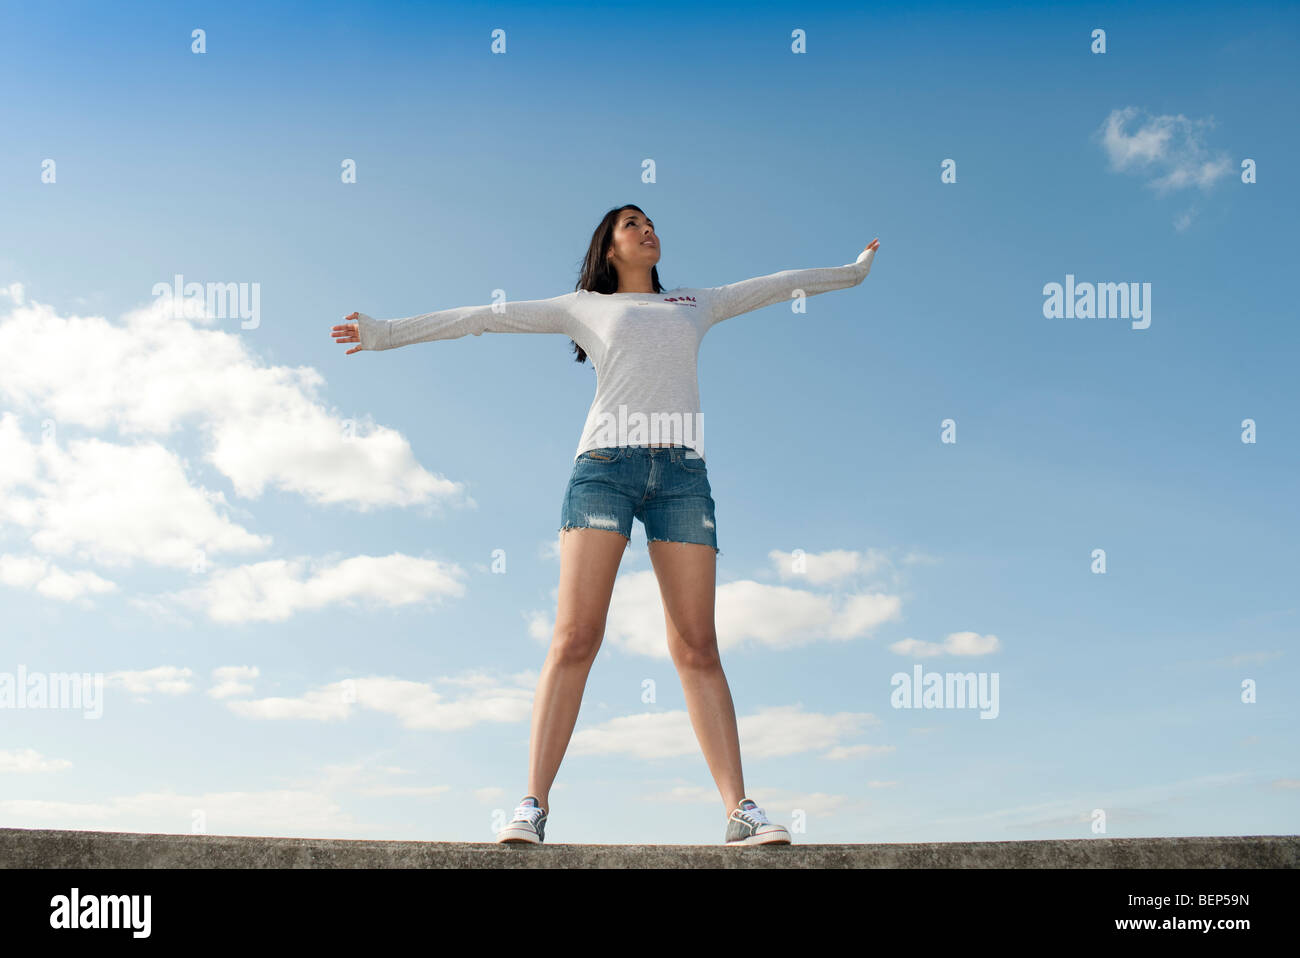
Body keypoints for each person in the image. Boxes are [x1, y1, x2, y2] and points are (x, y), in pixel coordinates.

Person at [331, 204, 879, 845]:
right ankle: (530, 807)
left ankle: (740, 810)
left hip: (682, 478)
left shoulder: (696, 301)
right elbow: (483, 318)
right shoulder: (581, 305)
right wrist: (385, 333)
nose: (647, 229)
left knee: (697, 646)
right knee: (575, 637)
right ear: (609, 247)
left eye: (650, 222)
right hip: (603, 471)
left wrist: (852, 272)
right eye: (631, 224)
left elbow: (779, 283)